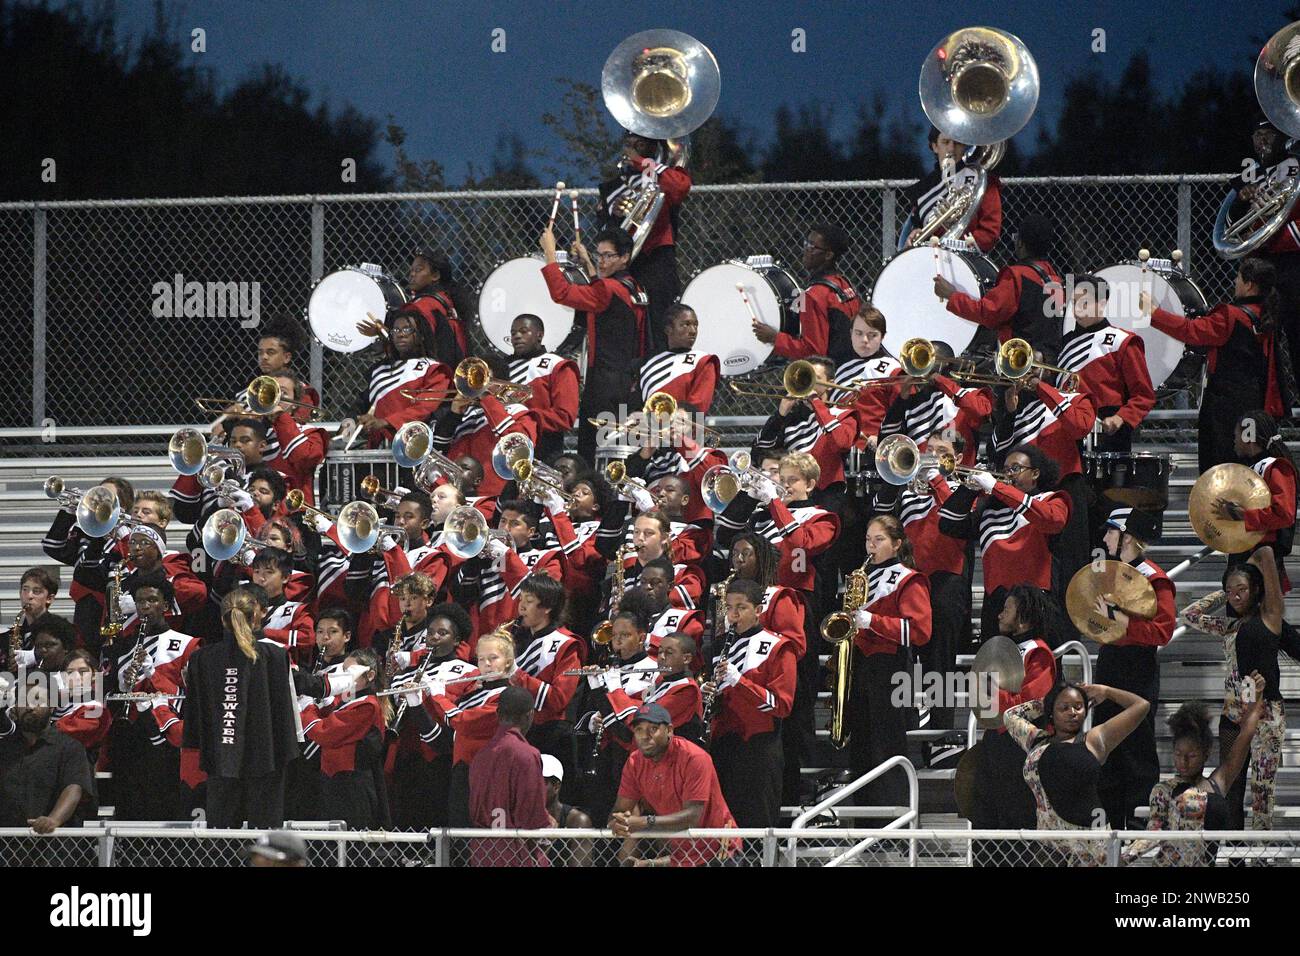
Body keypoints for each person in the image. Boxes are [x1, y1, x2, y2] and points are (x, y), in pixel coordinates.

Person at [1143, 257, 1292, 472]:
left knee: (1219, 461)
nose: (1235, 281)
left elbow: (1191, 331)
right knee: (1247, 456)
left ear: (1249, 284)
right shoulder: (1267, 315)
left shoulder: (1230, 316)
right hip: (1254, 403)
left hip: (1225, 407)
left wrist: (1154, 313)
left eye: (1239, 277)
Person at [1180, 548, 1287, 830]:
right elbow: (1189, 614)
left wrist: (1252, 562)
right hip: (1233, 715)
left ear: (1255, 589)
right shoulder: (1227, 626)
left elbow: (1265, 552)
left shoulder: (1271, 617)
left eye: (1241, 589)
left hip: (1266, 716)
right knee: (1231, 785)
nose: (1235, 596)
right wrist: (1221, 592)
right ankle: (1234, 849)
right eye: (1230, 592)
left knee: (1262, 790)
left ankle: (1262, 855)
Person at [181, 586, 301, 829]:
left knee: (222, 835)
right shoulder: (275, 654)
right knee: (265, 834)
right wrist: (288, 750)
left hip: (220, 755)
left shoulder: (201, 657)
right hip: (267, 756)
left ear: (222, 617)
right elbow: (285, 711)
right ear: (257, 615)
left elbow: (194, 713)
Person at [1092, 509, 1177, 831]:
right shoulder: (1111, 574)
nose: (1104, 538)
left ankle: (1140, 830)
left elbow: (1163, 632)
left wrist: (1119, 620)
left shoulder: (1155, 578)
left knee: (1137, 751)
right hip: (1110, 662)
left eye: (1110, 532)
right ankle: (1109, 829)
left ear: (1126, 535)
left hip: (1137, 667)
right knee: (1106, 747)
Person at [1004, 681, 1150, 865]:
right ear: (1051, 712)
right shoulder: (1036, 741)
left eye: (1078, 707)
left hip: (1090, 845)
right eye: (1064, 708)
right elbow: (1010, 716)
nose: (1072, 712)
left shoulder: (1095, 739)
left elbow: (1141, 706)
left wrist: (1106, 691)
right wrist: (1050, 700)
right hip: (1048, 847)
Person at [1124, 683, 1267, 867]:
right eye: (1177, 754)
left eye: (1191, 756)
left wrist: (1255, 699)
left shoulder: (1218, 783)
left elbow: (1246, 735)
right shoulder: (1163, 790)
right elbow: (1154, 831)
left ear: (1206, 754)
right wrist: (1123, 857)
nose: (1183, 761)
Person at [939, 444, 1070, 643]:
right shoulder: (989, 509)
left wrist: (996, 487)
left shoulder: (1051, 499)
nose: (1009, 474)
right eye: (1006, 469)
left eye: (1015, 468)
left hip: (1036, 600)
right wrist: (969, 488)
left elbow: (1053, 521)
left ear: (1035, 473)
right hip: (996, 603)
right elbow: (948, 525)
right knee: (995, 668)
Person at [967, 585, 1057, 866]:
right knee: (986, 818)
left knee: (1016, 820)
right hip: (996, 740)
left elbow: (1033, 703)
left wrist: (993, 693)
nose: (999, 614)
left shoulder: (1039, 653)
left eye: (1007, 609)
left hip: (1021, 747)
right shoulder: (1003, 648)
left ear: (1024, 619)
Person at [542, 225, 647, 464]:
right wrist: (588, 262)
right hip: (627, 378)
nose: (602, 261)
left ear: (624, 257)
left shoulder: (608, 289)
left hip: (604, 383)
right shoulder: (632, 286)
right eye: (599, 255)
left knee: (592, 450)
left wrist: (550, 253)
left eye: (608, 256)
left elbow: (562, 293)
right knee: (615, 447)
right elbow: (599, 292)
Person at [847, 516, 931, 806]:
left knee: (886, 745)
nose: (871, 546)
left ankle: (892, 822)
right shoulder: (861, 577)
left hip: (890, 668)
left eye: (879, 540)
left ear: (896, 544)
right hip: (860, 667)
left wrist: (873, 621)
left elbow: (920, 631)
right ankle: (864, 821)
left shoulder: (908, 578)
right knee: (862, 747)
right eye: (868, 539)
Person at [702, 578, 796, 828]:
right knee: (722, 822)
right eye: (730, 608)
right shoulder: (720, 646)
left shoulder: (778, 647)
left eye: (741, 608)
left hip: (759, 746)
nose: (733, 615)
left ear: (758, 610)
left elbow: (782, 705)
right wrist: (706, 692)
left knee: (757, 820)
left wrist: (739, 682)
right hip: (723, 743)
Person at [596, 131, 691, 356]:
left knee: (663, 320)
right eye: (628, 142)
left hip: (658, 258)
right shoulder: (611, 188)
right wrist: (614, 214)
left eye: (639, 142)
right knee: (625, 323)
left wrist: (642, 163)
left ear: (653, 145)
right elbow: (603, 233)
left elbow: (680, 187)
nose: (632, 147)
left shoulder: (661, 175)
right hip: (624, 266)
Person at [610, 702, 737, 868]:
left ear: (669, 730)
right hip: (679, 854)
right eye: (639, 730)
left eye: (652, 729)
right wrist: (617, 823)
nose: (644, 736)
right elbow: (620, 811)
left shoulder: (694, 757)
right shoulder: (634, 762)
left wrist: (643, 822)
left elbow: (692, 817)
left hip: (719, 851)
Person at [934, 213, 1065, 354]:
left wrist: (952, 295)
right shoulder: (1056, 279)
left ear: (1020, 243)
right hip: (1046, 359)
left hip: (1018, 358)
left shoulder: (1016, 276)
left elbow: (988, 313)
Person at [1057, 274, 1156, 453]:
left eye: (1085, 303)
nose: (1078, 310)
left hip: (1107, 432)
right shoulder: (1063, 344)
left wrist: (1120, 417)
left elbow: (1143, 395)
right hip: (1065, 428)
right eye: (1075, 303)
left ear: (1102, 304)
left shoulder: (1123, 341)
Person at [299, 646, 389, 830]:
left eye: (349, 673)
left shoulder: (367, 706)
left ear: (370, 676)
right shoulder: (350, 701)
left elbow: (325, 733)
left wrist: (307, 708)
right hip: (333, 782)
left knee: (350, 847)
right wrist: (320, 703)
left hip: (352, 785)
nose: (343, 679)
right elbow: (331, 717)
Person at [0, 671, 96, 834]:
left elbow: (74, 788)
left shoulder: (69, 747)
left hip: (52, 847)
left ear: (52, 705)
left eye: (37, 699)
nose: (29, 707)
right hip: (7, 848)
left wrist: (53, 819)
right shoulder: (4, 747)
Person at [753, 223, 862, 367]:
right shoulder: (843, 283)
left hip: (833, 375)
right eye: (806, 243)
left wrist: (774, 338)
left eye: (812, 247)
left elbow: (813, 352)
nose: (805, 250)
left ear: (828, 255)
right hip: (854, 367)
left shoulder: (814, 295)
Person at [468, 685, 552, 867]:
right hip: (516, 850)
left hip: (482, 849)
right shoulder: (527, 754)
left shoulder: (480, 755)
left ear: (497, 714)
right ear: (530, 715)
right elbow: (531, 813)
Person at [1215, 409, 1297, 591]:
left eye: (1236, 435)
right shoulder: (1248, 468)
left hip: (1263, 557)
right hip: (1244, 553)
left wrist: (1244, 515)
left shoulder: (1276, 467)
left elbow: (1284, 514)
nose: (1234, 440)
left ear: (1248, 436)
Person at [350, 306, 452, 448]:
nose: (400, 335)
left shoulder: (434, 369)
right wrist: (353, 421)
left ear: (421, 334)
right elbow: (363, 403)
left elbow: (424, 408)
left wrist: (385, 422)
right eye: (396, 330)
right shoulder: (380, 370)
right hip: (379, 448)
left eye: (407, 329)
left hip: (415, 447)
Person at [899, 127, 1002, 252]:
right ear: (935, 146)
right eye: (945, 142)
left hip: (969, 258)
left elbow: (989, 232)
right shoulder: (921, 190)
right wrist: (915, 234)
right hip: (931, 258)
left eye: (957, 143)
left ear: (964, 146)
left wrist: (957, 245)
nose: (952, 148)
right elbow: (918, 229)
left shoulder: (982, 180)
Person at [505, 313, 580, 461]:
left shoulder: (557, 365)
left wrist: (522, 418)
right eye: (513, 333)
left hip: (542, 450)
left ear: (539, 335)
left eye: (524, 331)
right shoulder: (501, 367)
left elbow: (564, 416)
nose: (517, 336)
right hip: (502, 447)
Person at [639, 304, 719, 414]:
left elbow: (700, 403)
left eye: (695, 325)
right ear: (668, 330)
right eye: (686, 324)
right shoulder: (646, 364)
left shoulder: (703, 361)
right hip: (649, 428)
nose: (693, 331)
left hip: (684, 428)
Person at [542, 753, 593, 867]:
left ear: (556, 786)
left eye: (539, 783)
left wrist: (547, 844)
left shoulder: (578, 821)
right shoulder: (522, 816)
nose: (532, 788)